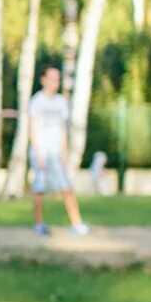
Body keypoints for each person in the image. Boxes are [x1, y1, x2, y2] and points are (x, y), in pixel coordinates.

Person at [27, 65, 90, 236]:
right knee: (39, 189)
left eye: (58, 78)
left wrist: (64, 152)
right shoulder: (37, 101)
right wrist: (38, 153)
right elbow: (32, 129)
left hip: (56, 153)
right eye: (52, 78)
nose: (56, 82)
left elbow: (63, 129)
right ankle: (39, 224)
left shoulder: (61, 102)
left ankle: (77, 223)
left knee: (67, 187)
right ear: (43, 80)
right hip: (41, 151)